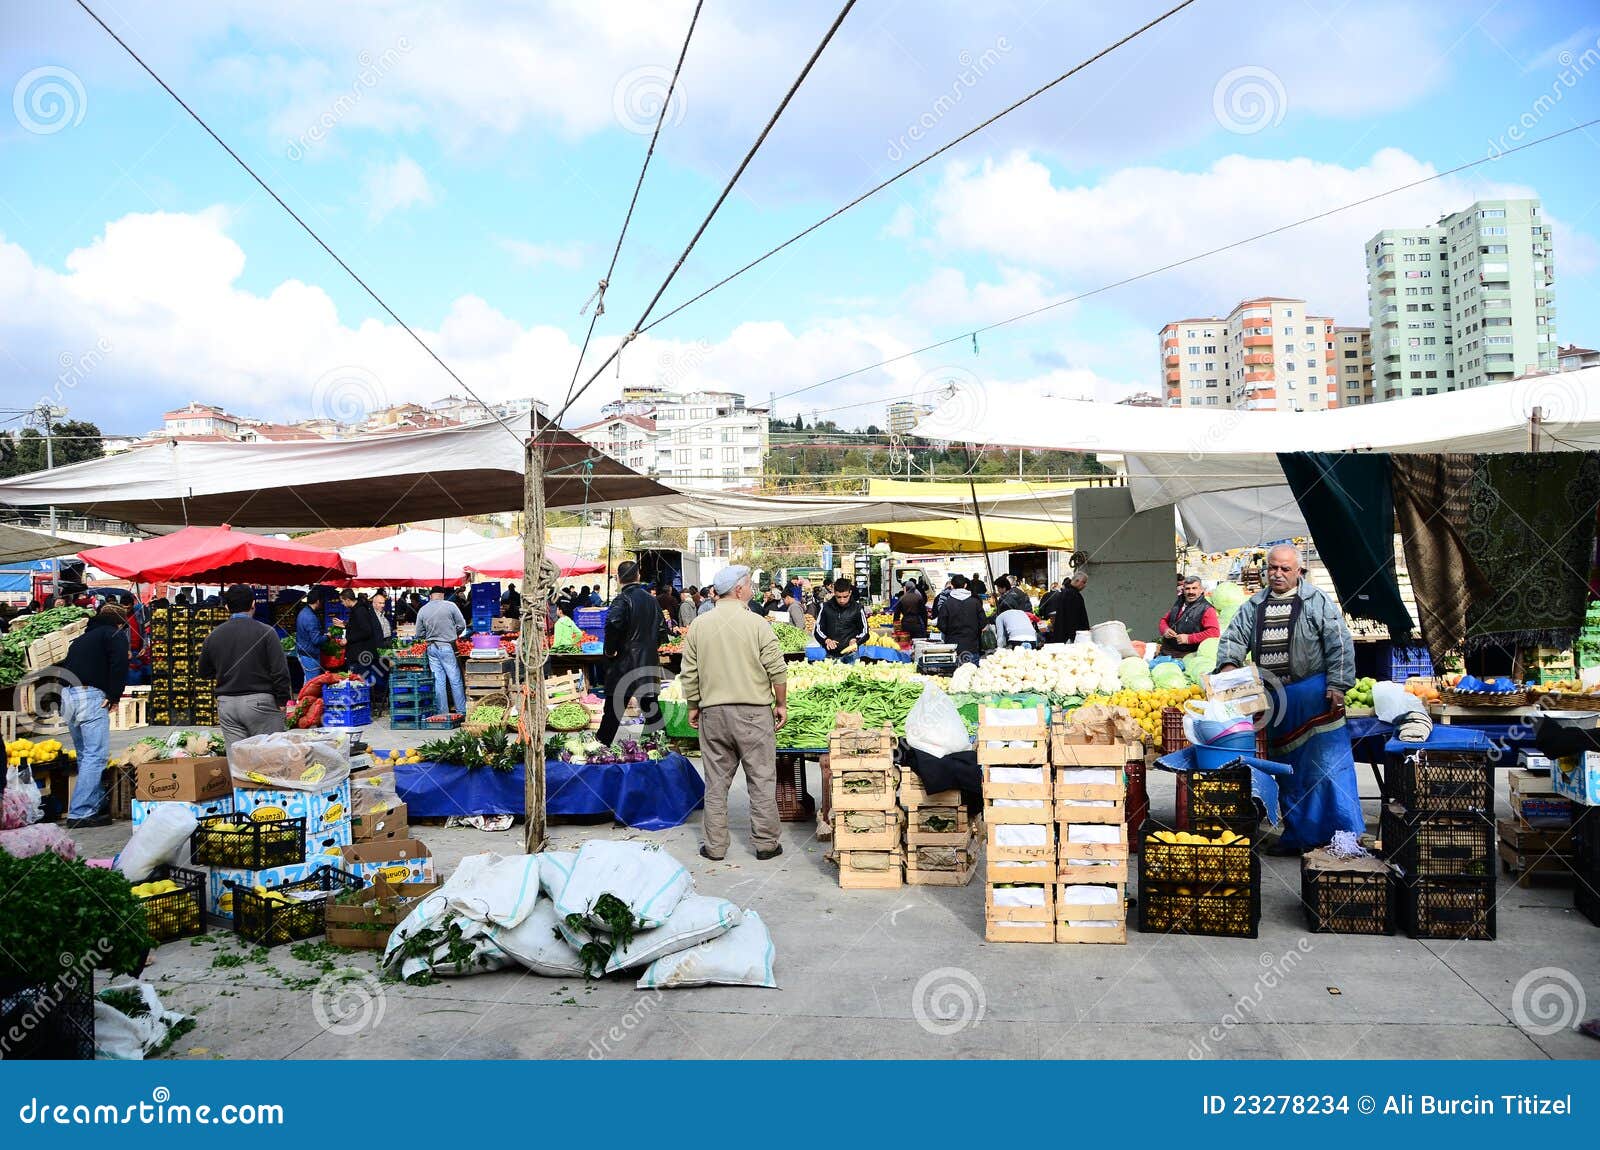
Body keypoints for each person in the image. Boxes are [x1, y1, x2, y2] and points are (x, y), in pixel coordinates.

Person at [1215, 543, 1362, 856]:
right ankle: (1297, 836)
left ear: (1299, 572)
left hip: (1316, 696)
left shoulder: (1316, 600)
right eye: (1273, 568)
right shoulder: (1254, 604)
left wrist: (1338, 683)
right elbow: (1233, 638)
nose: (1277, 574)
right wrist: (1229, 665)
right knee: (1288, 770)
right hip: (1278, 703)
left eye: (1285, 569)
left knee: (1327, 767)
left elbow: (1339, 642)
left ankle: (1342, 836)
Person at [679, 565, 787, 861]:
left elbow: (688, 673)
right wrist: (781, 704)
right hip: (754, 714)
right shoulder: (757, 624)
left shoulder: (699, 625)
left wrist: (692, 705)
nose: (751, 589)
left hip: (713, 714)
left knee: (716, 782)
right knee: (762, 779)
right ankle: (766, 844)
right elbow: (777, 669)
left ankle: (714, 847)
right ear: (739, 589)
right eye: (750, 585)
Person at [58, 604, 130, 828]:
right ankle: (80, 813)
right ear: (120, 622)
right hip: (89, 695)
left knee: (85, 756)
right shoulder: (115, 635)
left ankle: (94, 807)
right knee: (95, 756)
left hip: (68, 695)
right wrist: (115, 695)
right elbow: (119, 665)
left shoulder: (81, 639)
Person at [201, 584, 292, 754]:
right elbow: (280, 671)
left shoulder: (213, 635)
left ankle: (240, 782)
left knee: (239, 760)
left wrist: (225, 671)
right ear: (253, 604)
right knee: (271, 756)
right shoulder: (267, 632)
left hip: (227, 704)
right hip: (260, 702)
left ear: (227, 607)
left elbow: (204, 672)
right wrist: (282, 700)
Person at [597, 560, 669, 746]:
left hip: (624, 664)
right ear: (638, 576)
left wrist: (610, 650)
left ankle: (600, 746)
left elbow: (613, 623)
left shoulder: (622, 600)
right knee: (651, 709)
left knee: (613, 712)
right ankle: (662, 747)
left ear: (618, 578)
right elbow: (662, 631)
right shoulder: (652, 600)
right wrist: (651, 646)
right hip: (647, 663)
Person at [416, 586, 467, 717]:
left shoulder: (423, 610)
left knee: (439, 681)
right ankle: (461, 711)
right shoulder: (451, 606)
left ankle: (442, 713)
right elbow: (462, 625)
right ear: (443, 595)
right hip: (447, 647)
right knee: (455, 680)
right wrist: (453, 633)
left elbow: (419, 633)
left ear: (430, 596)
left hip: (431, 648)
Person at [1158, 574, 1221, 657]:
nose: (1191, 592)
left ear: (1201, 590)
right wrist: (1165, 630)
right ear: (1183, 590)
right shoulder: (1179, 603)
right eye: (1187, 589)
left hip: (1189, 655)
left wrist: (1189, 639)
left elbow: (1214, 632)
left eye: (1194, 588)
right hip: (1168, 652)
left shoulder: (1207, 609)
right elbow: (1164, 620)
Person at [814, 578, 868, 661]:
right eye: (838, 597)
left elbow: (865, 631)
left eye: (845, 597)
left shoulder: (858, 608)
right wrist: (826, 640)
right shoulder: (825, 607)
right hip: (830, 654)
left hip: (851, 654)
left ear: (850, 593)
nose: (842, 600)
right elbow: (818, 630)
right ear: (834, 593)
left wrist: (856, 640)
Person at [936, 573, 985, 663]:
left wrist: (950, 632)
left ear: (952, 586)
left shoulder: (947, 603)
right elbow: (983, 623)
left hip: (952, 646)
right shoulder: (975, 602)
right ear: (965, 585)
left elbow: (941, 624)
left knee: (954, 674)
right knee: (973, 674)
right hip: (972, 646)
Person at [341, 589, 383, 684]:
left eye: (342, 601)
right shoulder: (357, 609)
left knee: (360, 681)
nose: (342, 603)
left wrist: (348, 639)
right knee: (360, 680)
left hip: (360, 654)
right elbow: (358, 627)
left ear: (347, 600)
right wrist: (346, 625)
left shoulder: (359, 610)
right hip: (359, 653)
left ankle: (369, 697)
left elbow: (366, 631)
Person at [293, 590, 326, 682]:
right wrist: (328, 637)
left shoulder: (303, 612)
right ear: (318, 601)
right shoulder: (311, 617)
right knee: (312, 684)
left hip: (303, 653)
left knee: (308, 682)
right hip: (310, 655)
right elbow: (316, 640)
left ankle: (303, 697)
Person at [1050, 572, 1091, 644]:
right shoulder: (1073, 595)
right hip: (1071, 637)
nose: (1085, 585)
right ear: (1077, 581)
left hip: (1063, 635)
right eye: (1084, 582)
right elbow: (1073, 618)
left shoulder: (1065, 592)